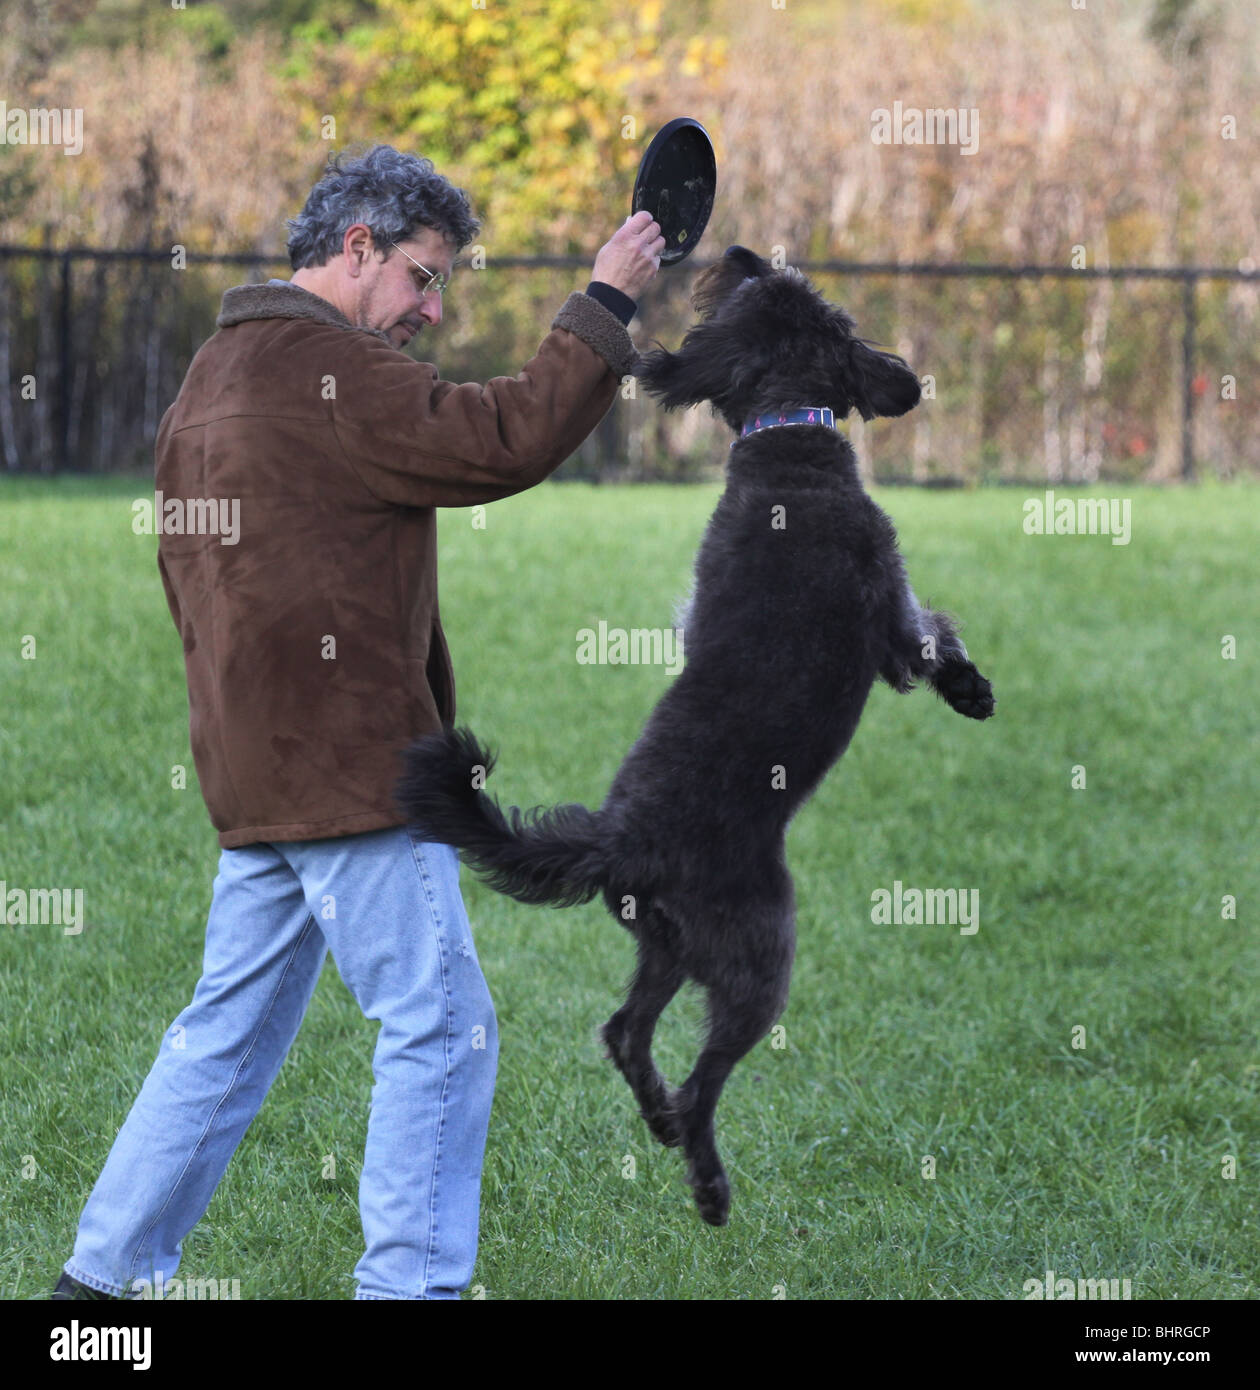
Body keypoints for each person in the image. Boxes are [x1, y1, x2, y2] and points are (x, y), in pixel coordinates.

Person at [51, 145, 663, 1301]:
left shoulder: (208, 379)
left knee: (222, 1038)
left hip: (253, 771)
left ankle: (97, 1290)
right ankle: (409, 1290)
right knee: (441, 1024)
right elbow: (503, 436)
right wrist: (607, 300)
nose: (431, 311)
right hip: (349, 769)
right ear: (357, 248)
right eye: (425, 279)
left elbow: (191, 586)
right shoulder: (331, 369)